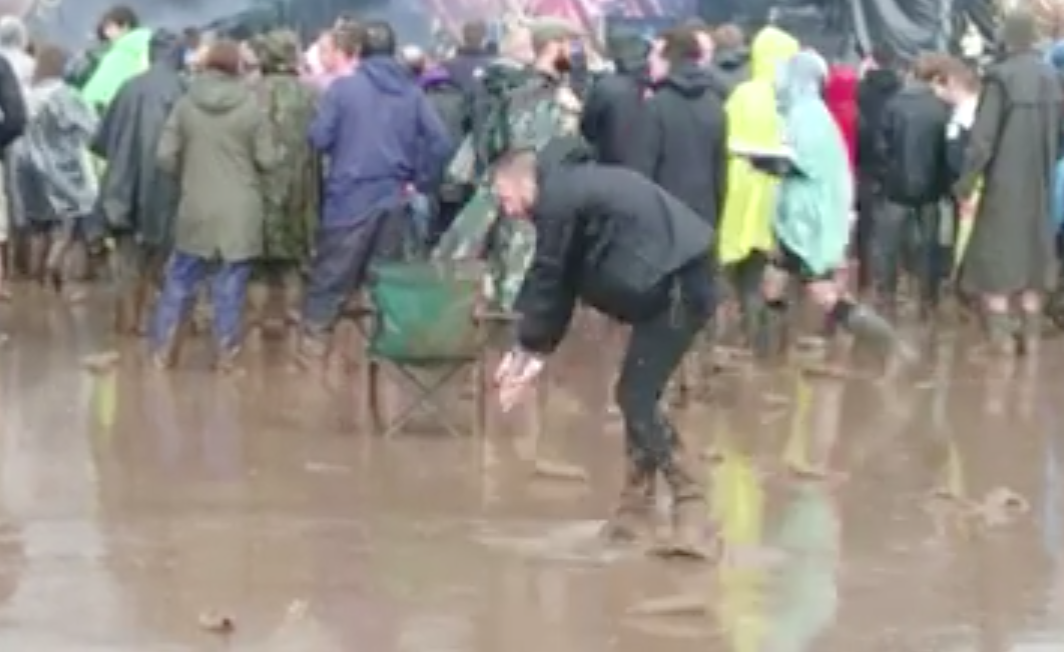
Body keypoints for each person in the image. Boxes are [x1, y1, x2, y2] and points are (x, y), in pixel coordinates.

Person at [491, 139, 717, 558]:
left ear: (524, 183)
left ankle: (694, 511)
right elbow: (560, 285)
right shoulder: (572, 191)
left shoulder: (559, 198)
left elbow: (550, 274)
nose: (507, 210)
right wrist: (526, 353)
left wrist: (528, 350)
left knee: (635, 395)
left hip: (679, 284)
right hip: (674, 278)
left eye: (505, 198)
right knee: (637, 394)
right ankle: (635, 513)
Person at [298, 21, 451, 363]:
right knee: (385, 282)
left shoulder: (343, 90)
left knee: (330, 281)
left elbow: (319, 139)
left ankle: (312, 366)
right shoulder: (412, 93)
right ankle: (379, 364)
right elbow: (440, 142)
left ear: (360, 51)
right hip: (394, 197)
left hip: (348, 199)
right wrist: (420, 179)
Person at [754, 51, 909, 367]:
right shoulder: (805, 113)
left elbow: (804, 164)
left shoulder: (808, 116)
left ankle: (889, 346)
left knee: (823, 293)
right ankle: (771, 358)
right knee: (773, 283)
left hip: (809, 224)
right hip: (799, 220)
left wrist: (771, 163)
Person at [151, 40, 277, 370]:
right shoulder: (251, 107)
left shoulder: (185, 104)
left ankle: (164, 352)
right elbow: (267, 160)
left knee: (180, 280)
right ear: (237, 67)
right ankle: (225, 356)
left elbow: (164, 156)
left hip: (196, 207)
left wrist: (189, 174)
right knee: (231, 285)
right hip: (240, 211)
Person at [955, 10, 1062, 356]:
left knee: (996, 266)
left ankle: (1001, 350)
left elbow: (981, 141)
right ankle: (1029, 348)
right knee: (1034, 265)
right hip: (1042, 186)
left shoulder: (999, 78)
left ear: (1008, 38)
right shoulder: (1052, 79)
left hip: (1004, 187)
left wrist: (965, 185)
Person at [93, 29, 186, 335]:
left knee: (127, 266)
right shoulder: (185, 90)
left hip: (123, 190)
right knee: (162, 265)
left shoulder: (128, 88)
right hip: (169, 193)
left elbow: (100, 143)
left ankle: (125, 328)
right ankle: (153, 329)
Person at [716, 25, 799, 352]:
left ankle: (719, 343)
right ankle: (762, 346)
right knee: (763, 276)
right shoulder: (791, 101)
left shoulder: (742, 94)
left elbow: (722, 139)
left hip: (736, 193)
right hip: (774, 197)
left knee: (725, 272)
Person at [245, 29, 320, 347]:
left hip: (255, 191)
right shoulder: (312, 95)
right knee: (293, 265)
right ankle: (293, 327)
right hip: (299, 192)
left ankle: (254, 327)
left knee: (257, 267)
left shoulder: (249, 93)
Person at [17, 45, 98, 300]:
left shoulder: (27, 95)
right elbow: (93, 129)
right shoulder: (66, 96)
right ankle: (57, 271)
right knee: (67, 225)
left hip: (27, 168)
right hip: (62, 171)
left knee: (38, 227)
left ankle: (36, 283)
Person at [874, 53, 951, 317]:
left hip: (895, 189)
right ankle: (928, 302)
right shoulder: (941, 108)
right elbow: (946, 154)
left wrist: (885, 178)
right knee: (929, 248)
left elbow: (880, 148)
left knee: (889, 248)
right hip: (930, 190)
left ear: (911, 73)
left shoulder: (893, 104)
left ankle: (887, 300)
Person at [634, 27, 728, 228]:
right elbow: (720, 171)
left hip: (664, 219)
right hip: (705, 217)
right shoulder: (715, 104)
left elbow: (642, 170)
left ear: (670, 59)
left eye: (656, 54)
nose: (650, 60)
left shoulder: (655, 106)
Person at [854, 44, 902, 296]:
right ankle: (888, 285)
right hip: (891, 165)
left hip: (863, 165)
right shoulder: (901, 91)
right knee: (889, 227)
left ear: (871, 61)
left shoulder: (860, 90)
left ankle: (864, 280)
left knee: (865, 226)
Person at [579, 34, 649, 168]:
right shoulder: (657, 86)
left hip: (609, 164)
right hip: (648, 168)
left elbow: (588, 128)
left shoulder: (606, 86)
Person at [82, 5, 153, 112]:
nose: (107, 33)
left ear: (125, 26)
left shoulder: (130, 48)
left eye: (110, 27)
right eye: (105, 29)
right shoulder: (119, 50)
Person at [441, 20, 494, 96]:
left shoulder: (447, 66)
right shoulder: (495, 66)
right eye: (471, 30)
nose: (473, 34)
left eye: (475, 30)